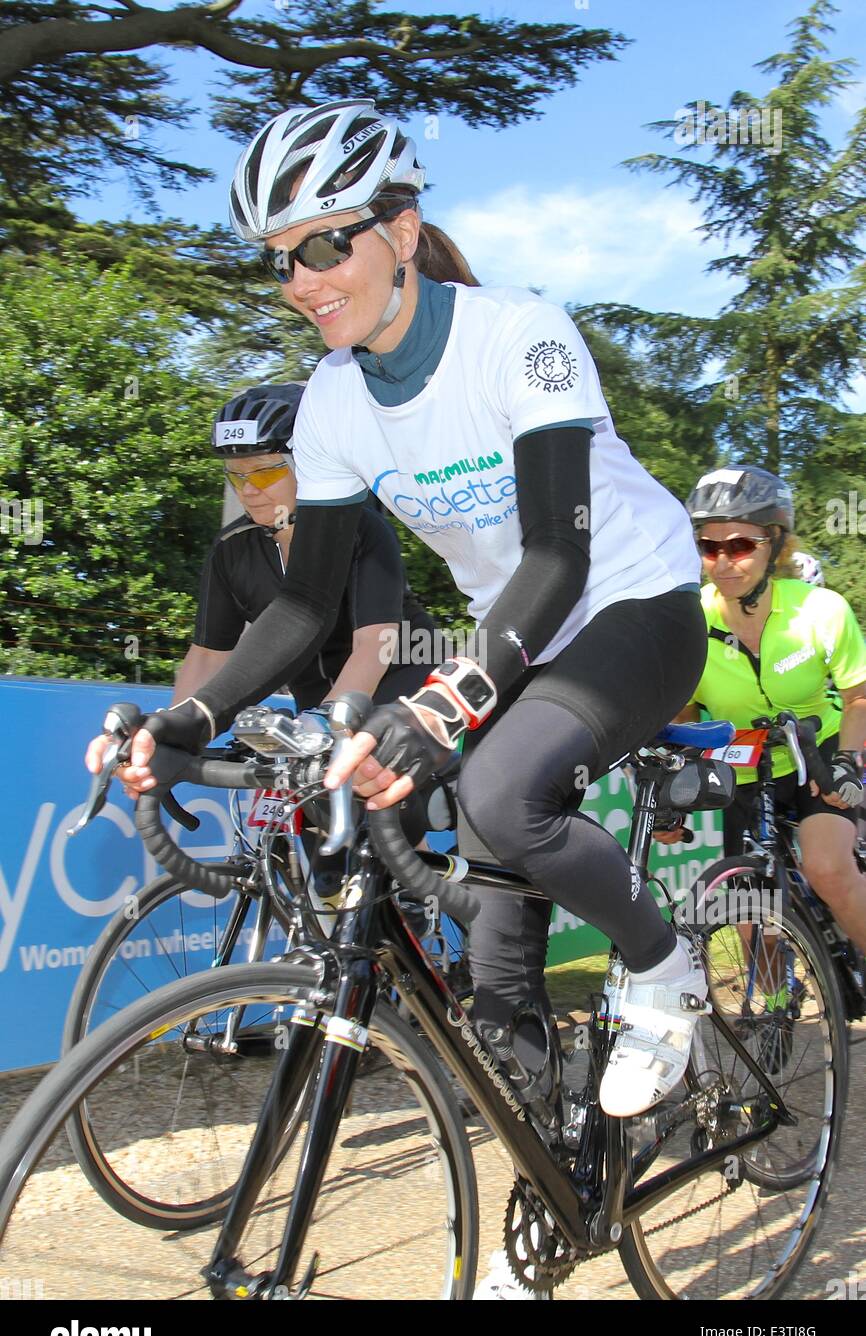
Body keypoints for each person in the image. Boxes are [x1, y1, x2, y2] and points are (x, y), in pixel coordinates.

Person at [89, 98, 708, 1143]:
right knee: (486, 906)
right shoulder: (330, 400)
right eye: (279, 259)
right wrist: (189, 720)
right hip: (521, 629)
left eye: (325, 243)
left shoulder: (521, 335)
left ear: (402, 234)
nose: (301, 281)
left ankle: (661, 963)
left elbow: (558, 553)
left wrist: (441, 705)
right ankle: (548, 1163)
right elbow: (301, 603)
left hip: (632, 599)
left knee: (504, 794)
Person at [655, 466, 866, 961]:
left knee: (828, 868)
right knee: (751, 919)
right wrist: (673, 792)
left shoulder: (822, 609)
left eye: (741, 546)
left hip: (819, 750)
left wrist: (849, 761)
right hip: (744, 765)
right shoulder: (691, 622)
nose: (724, 562)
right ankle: (771, 1025)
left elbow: (858, 697)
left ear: (774, 544)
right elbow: (683, 716)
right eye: (709, 548)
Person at [175, 381, 437, 713]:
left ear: (309, 465)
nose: (248, 491)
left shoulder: (364, 530)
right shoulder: (231, 549)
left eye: (265, 473)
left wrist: (326, 724)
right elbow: (207, 655)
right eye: (237, 476)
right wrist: (172, 732)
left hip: (402, 685)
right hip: (315, 703)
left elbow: (374, 647)